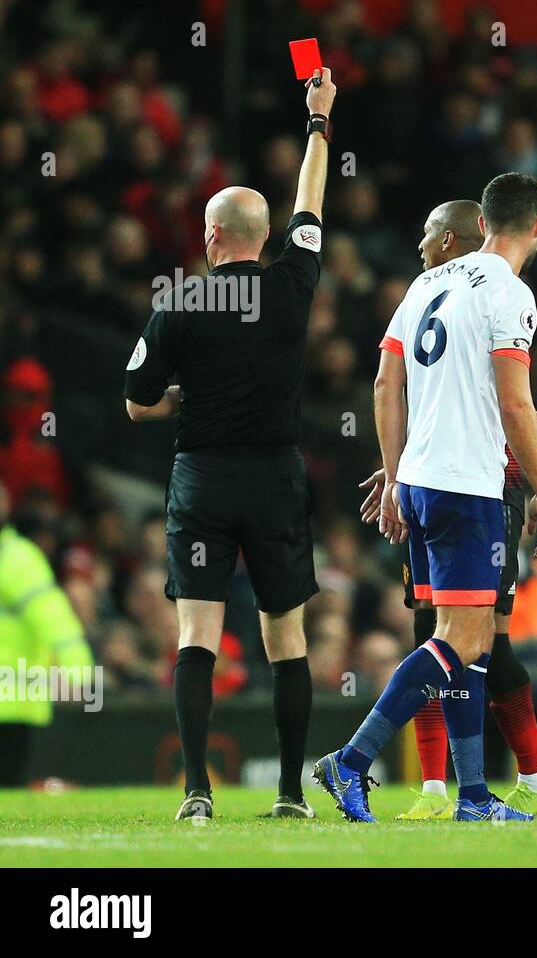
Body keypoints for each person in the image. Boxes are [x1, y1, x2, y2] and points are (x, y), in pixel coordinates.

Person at [123, 67, 337, 821]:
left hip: (204, 478)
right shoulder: (293, 285)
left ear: (211, 237)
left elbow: (136, 403)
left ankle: (196, 792)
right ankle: (288, 794)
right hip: (276, 477)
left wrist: (185, 397)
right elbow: (311, 199)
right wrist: (317, 122)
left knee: (198, 634)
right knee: (287, 636)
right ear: (267, 237)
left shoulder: (180, 300)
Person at [313, 172, 537, 824]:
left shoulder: (426, 283)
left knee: (459, 644)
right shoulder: (509, 293)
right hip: (467, 485)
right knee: (463, 640)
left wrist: (394, 474)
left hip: (419, 481)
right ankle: (352, 759)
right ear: (536, 226)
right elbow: (514, 401)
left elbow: (385, 384)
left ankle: (471, 796)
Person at [0, 482, 95, 786]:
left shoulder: (15, 558)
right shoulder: (17, 557)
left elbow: (54, 619)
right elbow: (56, 618)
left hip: (10, 705)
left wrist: (78, 672)